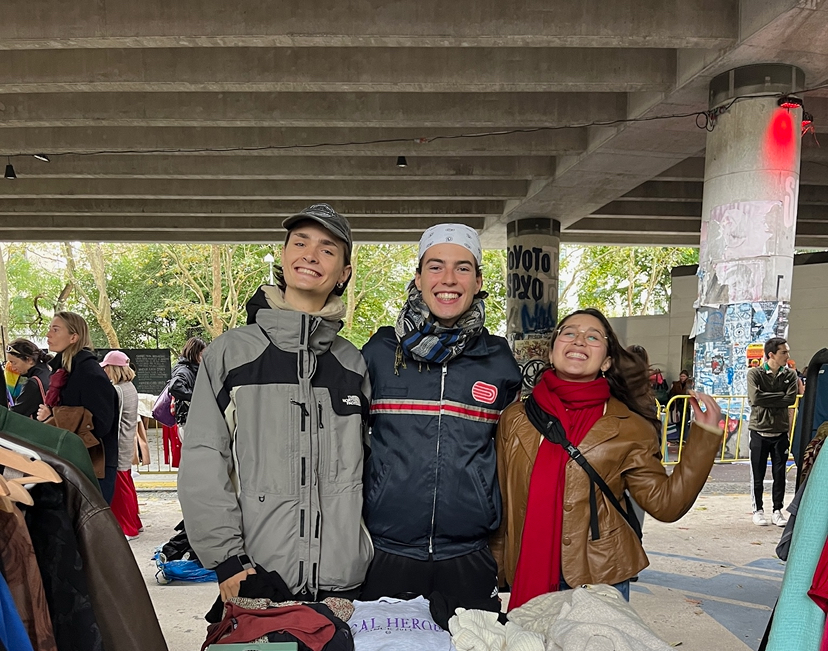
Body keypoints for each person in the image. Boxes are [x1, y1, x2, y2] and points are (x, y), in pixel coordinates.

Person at [178, 203, 372, 603]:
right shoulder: (231, 354)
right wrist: (227, 560)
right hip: (257, 578)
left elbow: (371, 468)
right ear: (283, 257)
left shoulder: (352, 362)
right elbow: (203, 458)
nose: (311, 255)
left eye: (328, 249)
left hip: (345, 584)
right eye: (299, 243)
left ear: (344, 274)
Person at [492, 308, 722, 609]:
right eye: (569, 333)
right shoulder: (516, 418)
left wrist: (704, 438)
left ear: (607, 361)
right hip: (529, 568)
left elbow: (666, 504)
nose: (579, 341)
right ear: (551, 352)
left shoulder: (630, 426)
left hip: (599, 573)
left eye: (592, 337)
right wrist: (495, 570)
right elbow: (503, 503)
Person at [360, 223, 522, 612]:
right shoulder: (379, 353)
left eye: (463, 268)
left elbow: (517, 455)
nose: (448, 279)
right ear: (418, 278)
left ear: (479, 280)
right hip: (386, 552)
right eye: (436, 267)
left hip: (468, 555)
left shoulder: (498, 360)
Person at [36, 312, 119, 502]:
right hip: (76, 461)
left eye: (55, 330)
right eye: (49, 329)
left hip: (94, 465)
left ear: (74, 337)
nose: (48, 334)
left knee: (91, 527)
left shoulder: (89, 373)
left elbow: (101, 423)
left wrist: (54, 416)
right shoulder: (67, 371)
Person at [748, 337, 798, 527]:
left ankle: (777, 510)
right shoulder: (755, 374)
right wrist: (779, 397)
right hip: (759, 430)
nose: (787, 356)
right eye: (783, 352)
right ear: (771, 355)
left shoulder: (790, 375)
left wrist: (767, 397)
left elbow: (790, 399)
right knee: (757, 473)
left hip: (780, 431)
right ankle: (758, 509)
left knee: (780, 473)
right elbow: (755, 398)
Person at [101, 350, 143, 539]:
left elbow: (114, 421)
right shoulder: (130, 387)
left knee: (121, 485)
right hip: (127, 439)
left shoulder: (117, 390)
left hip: (118, 441)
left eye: (107, 367)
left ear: (113, 368)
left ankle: (128, 528)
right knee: (127, 482)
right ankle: (135, 522)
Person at [167, 337, 206, 441]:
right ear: (196, 353)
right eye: (202, 353)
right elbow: (175, 387)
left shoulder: (188, 368)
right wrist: (196, 397)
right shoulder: (185, 370)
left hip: (189, 420)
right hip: (189, 421)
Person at [6, 339, 51, 419]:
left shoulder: (32, 383)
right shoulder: (47, 370)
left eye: (14, 363)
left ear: (29, 360)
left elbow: (14, 415)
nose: (12, 368)